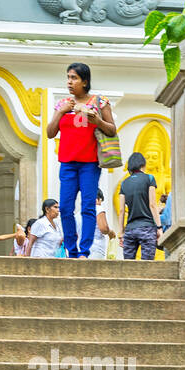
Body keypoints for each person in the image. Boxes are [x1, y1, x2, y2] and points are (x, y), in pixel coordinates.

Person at [46, 62, 115, 259]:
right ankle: (72, 251)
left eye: (74, 78)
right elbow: (50, 133)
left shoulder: (100, 102)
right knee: (66, 208)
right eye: (68, 77)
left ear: (85, 81)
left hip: (89, 164)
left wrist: (97, 120)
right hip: (67, 163)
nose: (69, 82)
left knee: (87, 207)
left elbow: (111, 129)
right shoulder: (62, 104)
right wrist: (61, 112)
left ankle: (84, 251)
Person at [118, 151, 161, 261]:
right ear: (143, 165)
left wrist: (121, 233)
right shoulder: (149, 178)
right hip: (147, 228)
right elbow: (152, 204)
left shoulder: (124, 183)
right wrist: (159, 228)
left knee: (128, 266)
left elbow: (122, 210)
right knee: (146, 266)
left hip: (130, 230)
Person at [88, 190, 121, 260]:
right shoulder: (97, 208)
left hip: (83, 250)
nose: (100, 204)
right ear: (97, 199)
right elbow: (104, 228)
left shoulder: (79, 213)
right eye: (100, 201)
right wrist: (110, 232)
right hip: (95, 250)